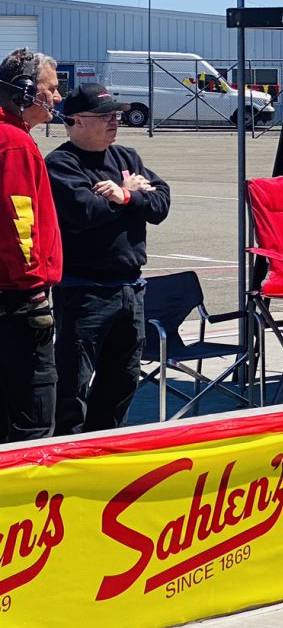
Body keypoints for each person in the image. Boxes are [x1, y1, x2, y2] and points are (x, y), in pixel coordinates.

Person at [46, 83, 171, 434]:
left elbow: (160, 203)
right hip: (86, 293)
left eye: (115, 115)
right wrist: (127, 196)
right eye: (103, 116)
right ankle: (68, 458)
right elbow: (83, 212)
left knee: (122, 381)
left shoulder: (127, 157)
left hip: (130, 290)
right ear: (75, 122)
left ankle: (105, 446)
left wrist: (126, 199)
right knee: (73, 385)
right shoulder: (61, 164)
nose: (113, 121)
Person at [0, 48, 63, 442]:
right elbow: (19, 223)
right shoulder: (15, 144)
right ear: (25, 91)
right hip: (18, 306)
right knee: (33, 422)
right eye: (51, 89)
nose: (57, 98)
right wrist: (34, 289)